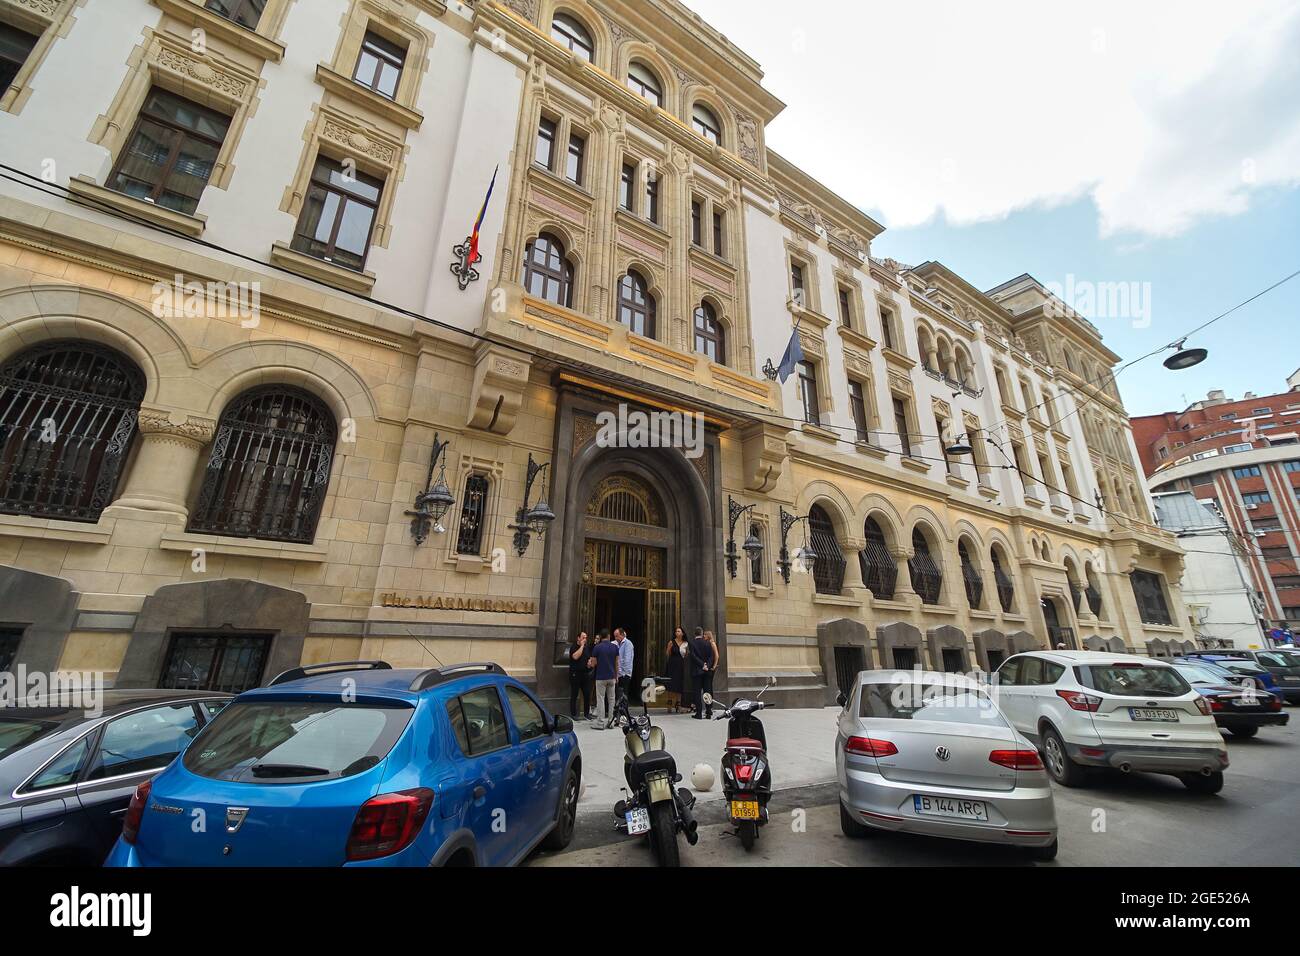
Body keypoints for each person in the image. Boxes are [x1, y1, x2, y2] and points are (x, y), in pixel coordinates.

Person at [590, 630, 620, 729]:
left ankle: (600, 723)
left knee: (600, 699)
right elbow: (616, 663)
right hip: (612, 677)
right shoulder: (615, 647)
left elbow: (593, 664)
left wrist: (591, 662)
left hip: (600, 677)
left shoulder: (597, 648)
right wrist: (616, 676)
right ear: (608, 636)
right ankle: (611, 722)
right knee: (612, 700)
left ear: (601, 637)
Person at [688, 626, 714, 719]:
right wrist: (707, 665)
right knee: (707, 692)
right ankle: (708, 712)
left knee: (697, 693)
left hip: (697, 671)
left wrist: (702, 665)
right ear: (702, 633)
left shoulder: (691, 643)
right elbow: (712, 656)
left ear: (694, 633)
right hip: (707, 672)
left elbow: (693, 656)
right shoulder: (707, 643)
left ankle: (698, 713)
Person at [567, 631, 593, 719]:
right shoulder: (573, 647)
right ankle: (573, 714)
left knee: (587, 694)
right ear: (578, 638)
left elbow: (589, 658)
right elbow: (575, 657)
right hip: (575, 674)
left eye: (586, 638)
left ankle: (586, 714)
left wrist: (590, 663)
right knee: (574, 694)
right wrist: (581, 646)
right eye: (583, 637)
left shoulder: (587, 648)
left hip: (585, 674)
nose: (584, 639)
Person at [664, 625, 687, 713]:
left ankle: (678, 704)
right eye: (676, 631)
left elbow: (687, 654)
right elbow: (667, 653)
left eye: (679, 631)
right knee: (671, 685)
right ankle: (669, 704)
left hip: (681, 665)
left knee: (679, 685)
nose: (677, 633)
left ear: (682, 633)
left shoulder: (685, 643)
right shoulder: (671, 642)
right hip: (672, 664)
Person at [614, 627, 635, 707]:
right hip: (619, 673)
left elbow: (627, 660)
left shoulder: (628, 643)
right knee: (619, 694)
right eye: (615, 636)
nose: (616, 638)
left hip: (624, 674)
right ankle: (619, 712)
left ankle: (624, 713)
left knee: (624, 694)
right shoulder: (617, 643)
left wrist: (622, 673)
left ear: (622, 635)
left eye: (617, 636)